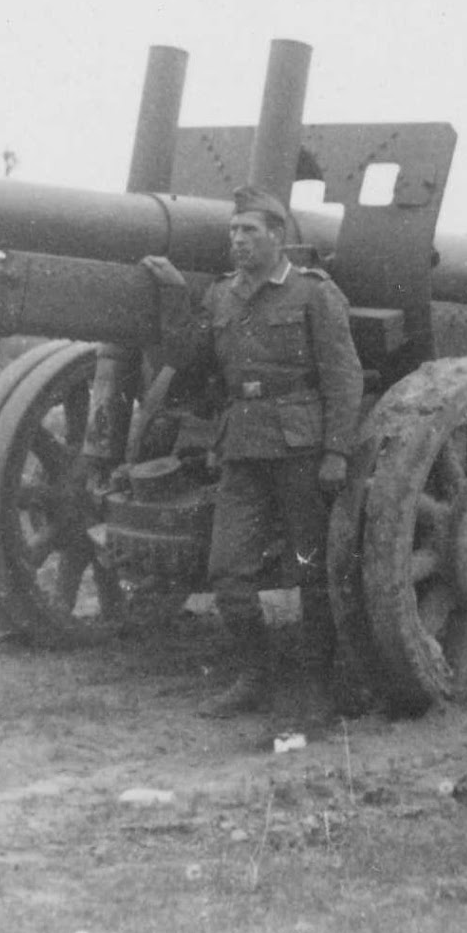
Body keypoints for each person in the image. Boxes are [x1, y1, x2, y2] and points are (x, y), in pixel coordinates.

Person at [140, 185, 363, 725]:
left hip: (300, 449)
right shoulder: (222, 296)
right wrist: (172, 293)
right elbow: (186, 356)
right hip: (241, 447)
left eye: (249, 231)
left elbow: (343, 376)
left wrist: (336, 451)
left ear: (277, 237)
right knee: (227, 571)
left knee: (311, 572)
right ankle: (254, 677)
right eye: (233, 231)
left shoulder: (314, 294)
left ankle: (316, 685)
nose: (238, 241)